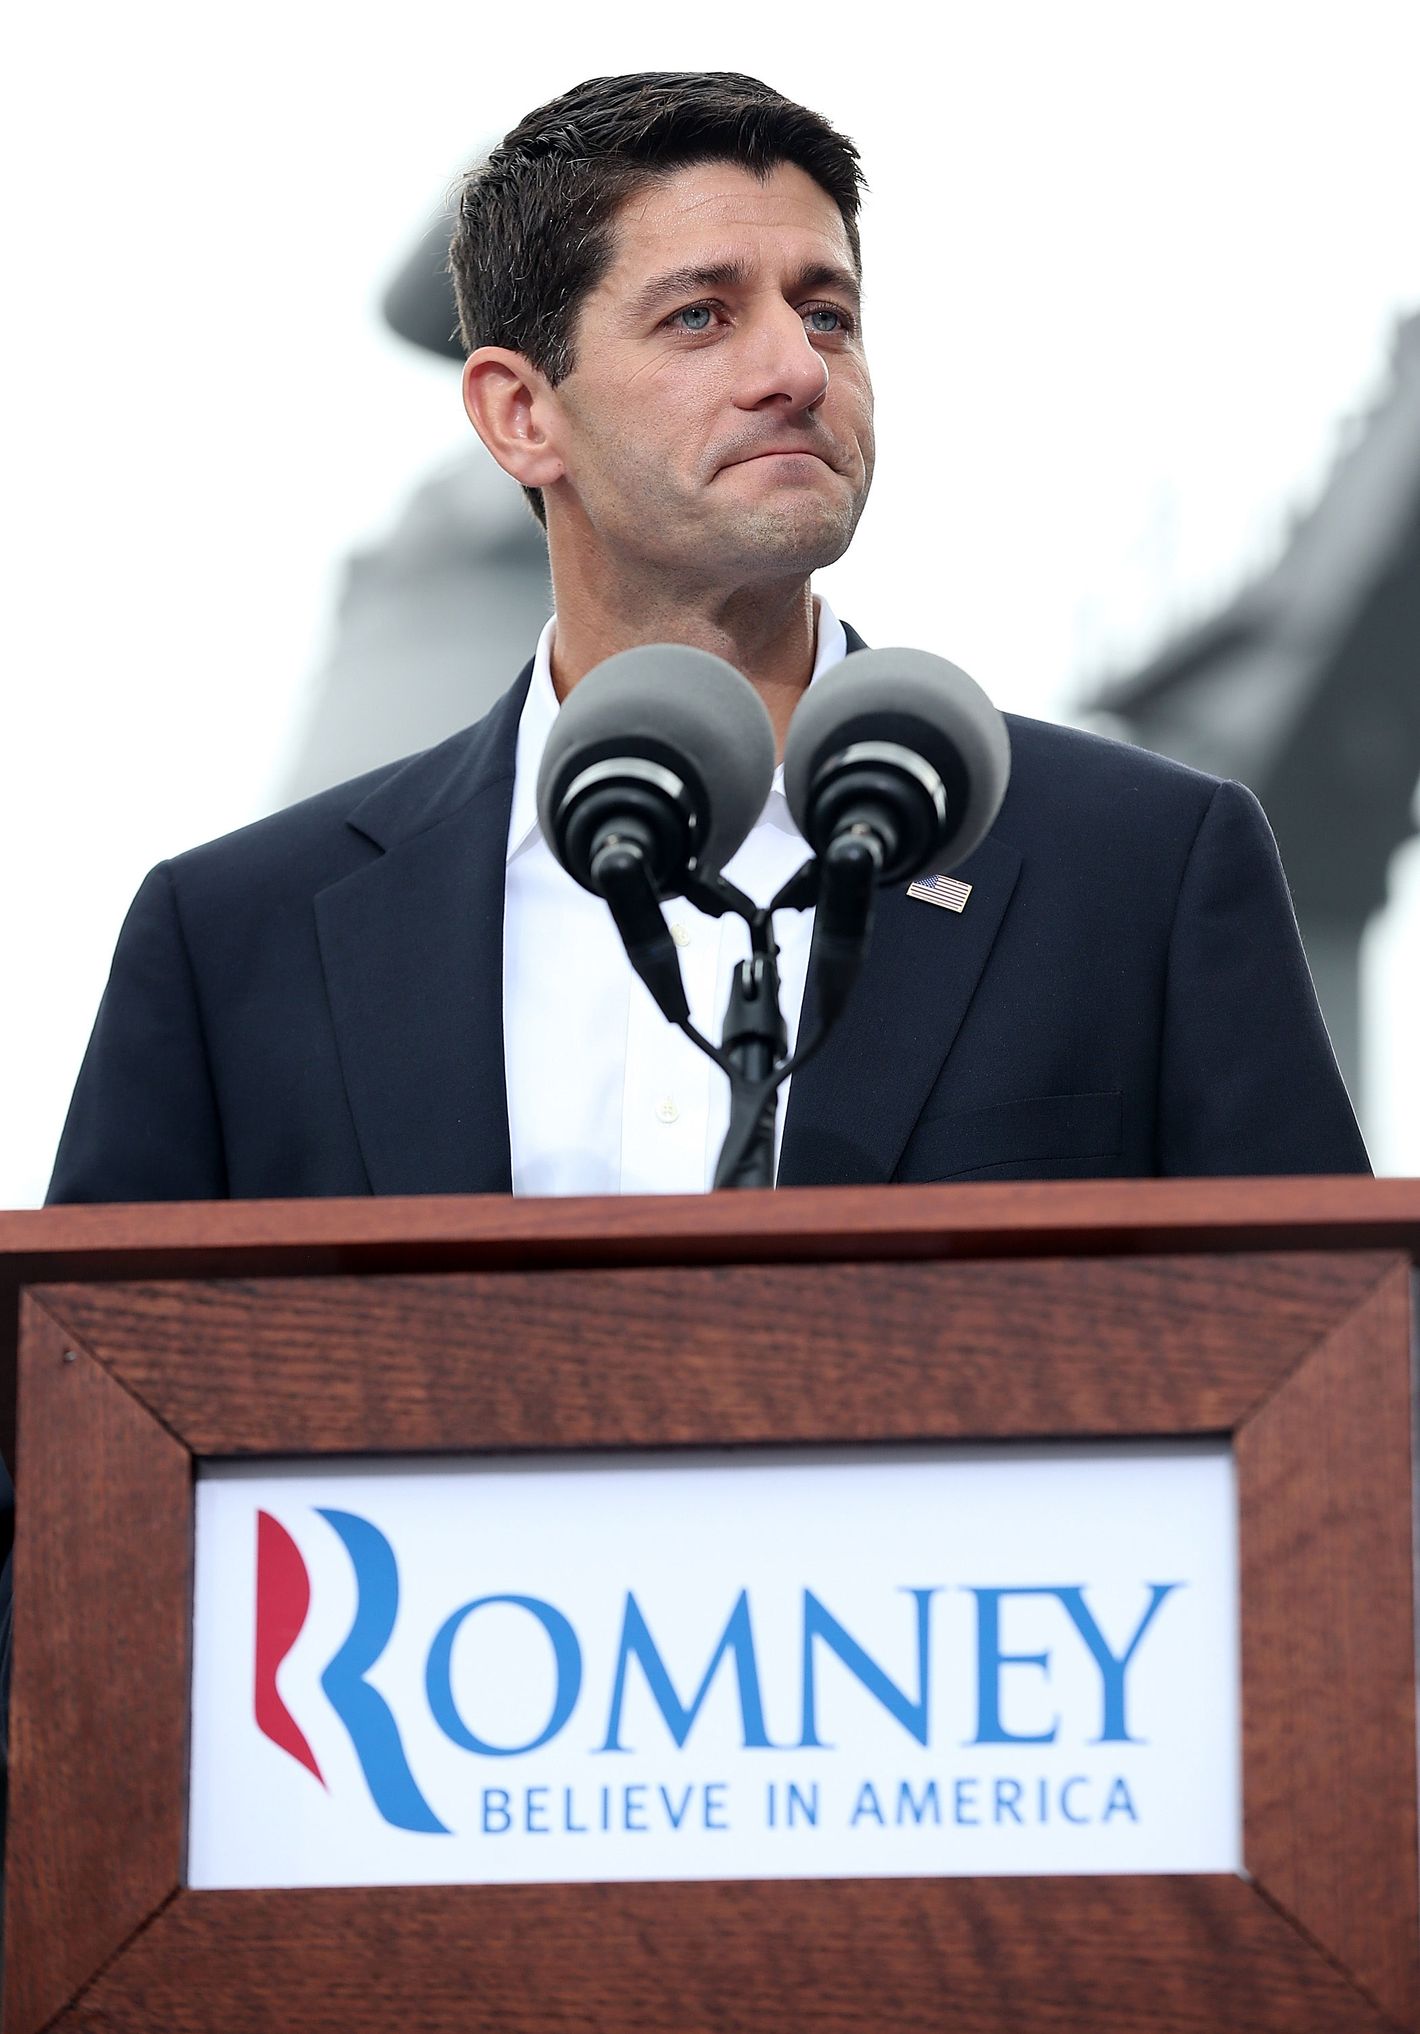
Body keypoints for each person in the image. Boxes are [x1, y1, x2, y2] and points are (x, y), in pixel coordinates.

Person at [45, 71, 1368, 1201]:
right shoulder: (232, 942)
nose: (796, 368)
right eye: (701, 315)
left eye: (828, 311)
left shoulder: (1141, 868)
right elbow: (81, 1434)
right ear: (519, 416)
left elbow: (1341, 1398)